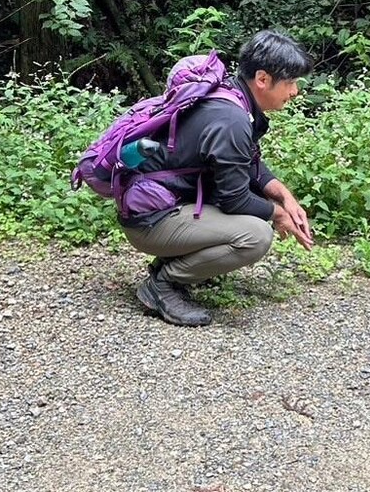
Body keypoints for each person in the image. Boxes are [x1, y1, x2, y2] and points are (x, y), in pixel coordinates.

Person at [123, 29, 316, 326]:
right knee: (255, 236)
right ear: (263, 79)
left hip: (162, 206)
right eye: (290, 82)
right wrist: (277, 215)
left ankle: (177, 264)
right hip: (151, 221)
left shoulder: (232, 98)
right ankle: (163, 284)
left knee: (257, 213)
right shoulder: (231, 119)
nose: (295, 91)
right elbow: (235, 197)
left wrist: (284, 195)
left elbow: (247, 164)